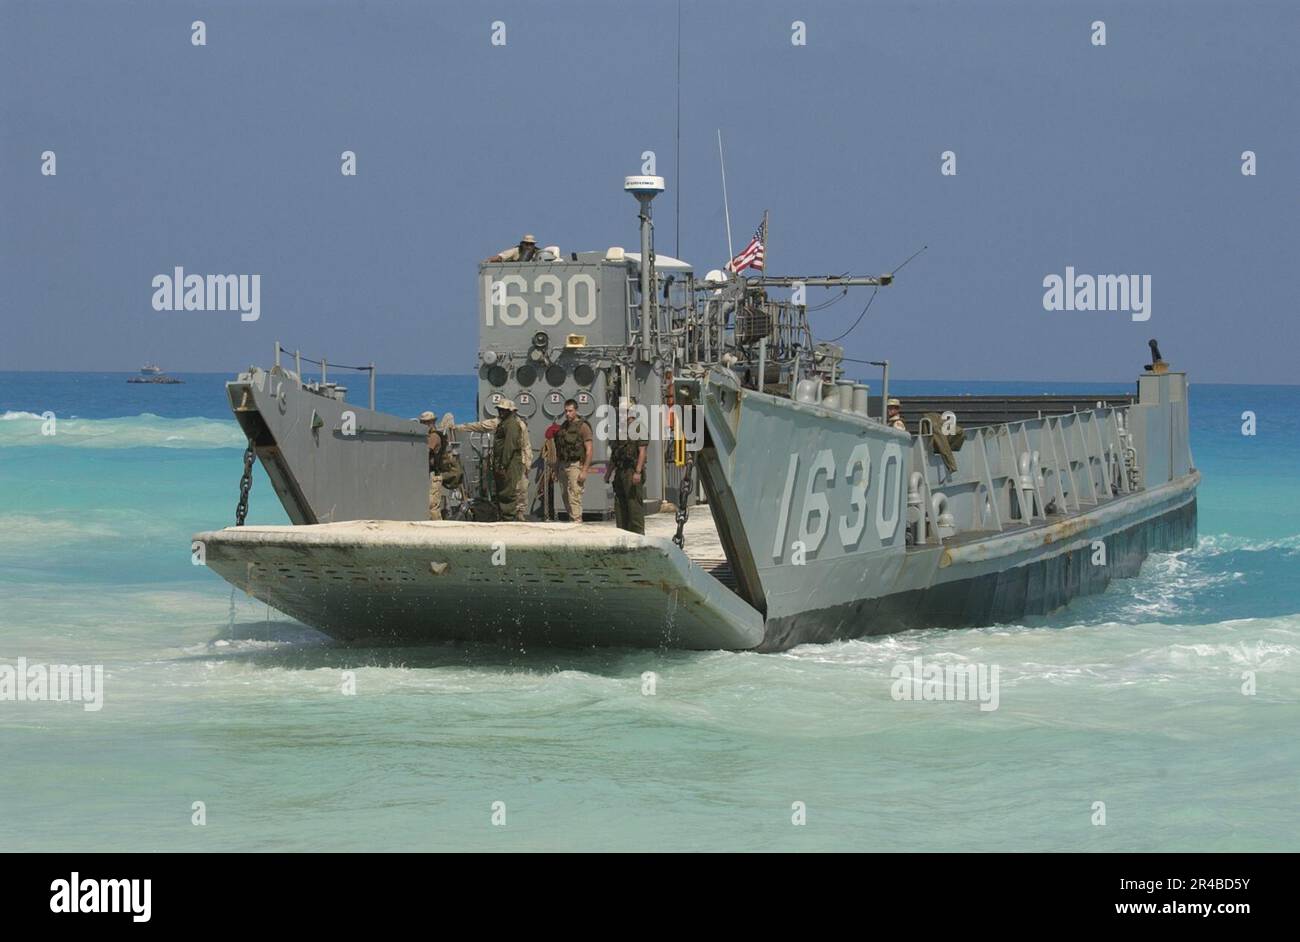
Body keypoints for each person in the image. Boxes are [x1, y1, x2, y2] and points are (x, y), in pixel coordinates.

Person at [457, 401, 532, 520]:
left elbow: (513, 446)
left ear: (511, 411)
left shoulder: (514, 424)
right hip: (509, 461)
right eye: (500, 410)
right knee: (509, 489)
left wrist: (509, 464)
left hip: (516, 461)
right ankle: (511, 515)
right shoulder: (502, 422)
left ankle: (516, 514)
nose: (501, 412)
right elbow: (481, 426)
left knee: (518, 489)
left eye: (504, 410)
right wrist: (460, 427)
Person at [605, 400, 648, 535]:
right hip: (620, 472)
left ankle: (638, 536)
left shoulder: (639, 428)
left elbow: (642, 451)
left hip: (631, 471)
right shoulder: (621, 430)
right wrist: (608, 473)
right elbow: (615, 454)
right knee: (620, 505)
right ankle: (623, 534)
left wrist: (638, 472)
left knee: (633, 505)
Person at [418, 411, 463, 520]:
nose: (425, 425)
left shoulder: (433, 437)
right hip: (433, 474)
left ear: (432, 422)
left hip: (434, 475)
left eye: (427, 423)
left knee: (432, 505)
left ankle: (437, 527)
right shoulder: (434, 435)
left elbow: (426, 451)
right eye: (423, 423)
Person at [554, 398, 593, 522]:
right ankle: (572, 519)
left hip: (575, 465)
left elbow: (589, 450)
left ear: (576, 411)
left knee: (574, 496)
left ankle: (577, 521)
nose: (567, 414)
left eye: (570, 411)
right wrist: (556, 468)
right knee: (565, 496)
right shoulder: (564, 427)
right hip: (563, 465)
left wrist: (585, 470)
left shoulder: (583, 427)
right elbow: (559, 449)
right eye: (566, 411)